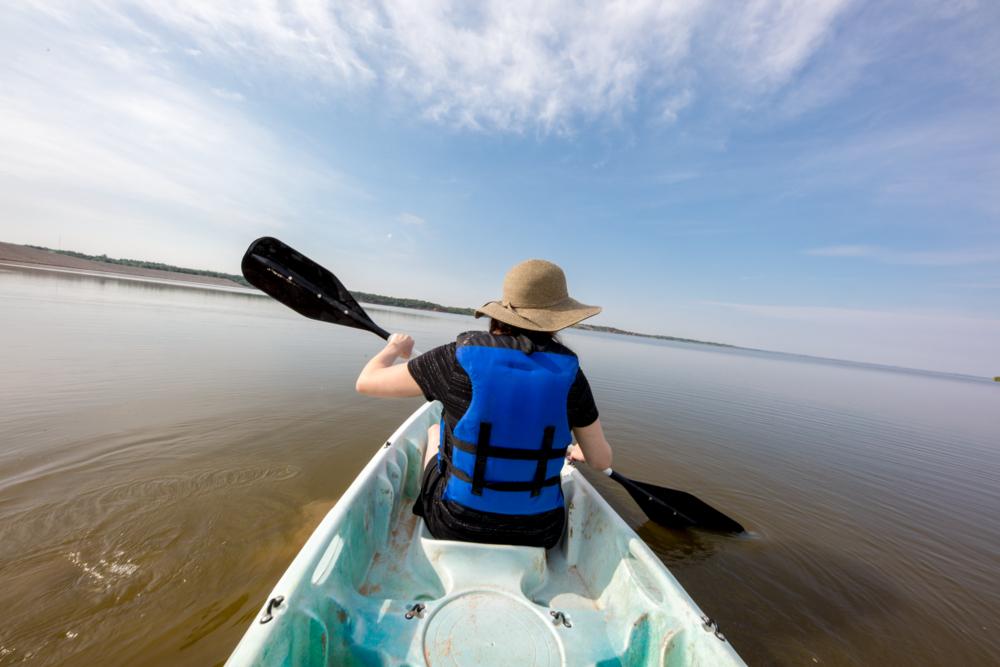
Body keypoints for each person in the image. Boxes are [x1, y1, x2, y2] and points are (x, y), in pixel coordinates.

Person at [355, 259, 613, 548]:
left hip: (454, 524)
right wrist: (580, 449)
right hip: (540, 533)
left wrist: (392, 349)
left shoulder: (457, 358)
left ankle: (427, 511)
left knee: (432, 431)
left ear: (500, 313)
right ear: (558, 320)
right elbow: (601, 460)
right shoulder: (571, 375)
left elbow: (366, 381)